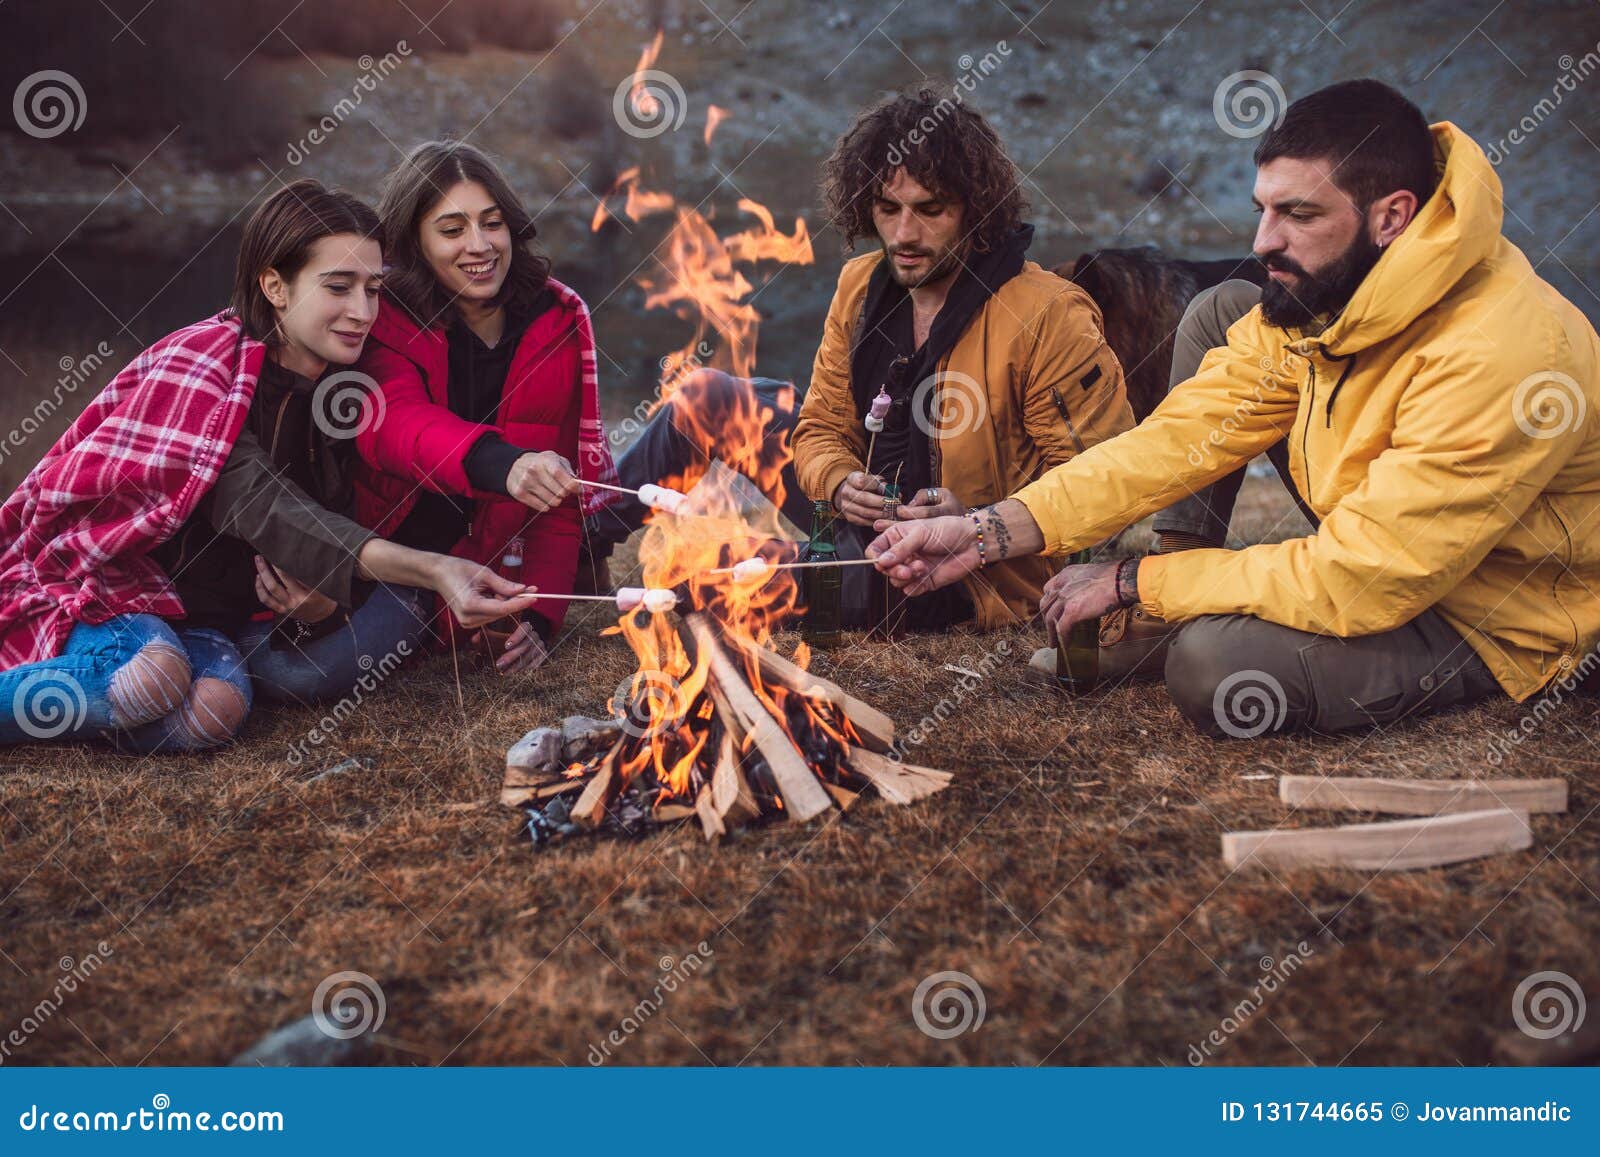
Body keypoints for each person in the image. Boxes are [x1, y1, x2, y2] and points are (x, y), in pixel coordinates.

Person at [869, 79, 1600, 737]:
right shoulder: (1331, 299)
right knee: (1225, 309)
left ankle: (1178, 611)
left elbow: (1365, 578)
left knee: (1215, 667)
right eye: (1262, 209)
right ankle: (1176, 598)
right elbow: (1177, 438)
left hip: (1491, 613)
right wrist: (988, 530)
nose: (1262, 241)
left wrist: (1134, 582)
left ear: (1392, 217)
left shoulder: (1502, 352)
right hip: (1387, 552)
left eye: (1297, 214)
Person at [0, 180, 543, 751]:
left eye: (374, 289)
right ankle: (118, 684)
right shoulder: (207, 371)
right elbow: (266, 508)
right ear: (275, 286)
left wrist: (322, 606)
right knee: (153, 674)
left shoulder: (344, 390)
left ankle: (108, 702)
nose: (362, 312)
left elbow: (326, 527)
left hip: (206, 622)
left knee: (213, 712)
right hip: (107, 593)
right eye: (338, 287)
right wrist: (435, 570)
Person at [789, 86, 1134, 629]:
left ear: (976, 210)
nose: (904, 234)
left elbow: (1104, 485)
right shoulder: (859, 286)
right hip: (864, 540)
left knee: (727, 581)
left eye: (930, 210)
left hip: (977, 579)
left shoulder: (1049, 314)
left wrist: (974, 520)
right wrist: (837, 480)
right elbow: (820, 427)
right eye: (887, 209)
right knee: (708, 554)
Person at [355, 141, 623, 673]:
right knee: (310, 669)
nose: (479, 246)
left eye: (492, 223)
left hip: (506, 555)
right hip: (405, 561)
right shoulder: (383, 318)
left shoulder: (554, 320)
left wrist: (541, 614)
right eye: (452, 230)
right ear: (415, 241)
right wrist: (508, 464)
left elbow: (559, 499)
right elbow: (397, 426)